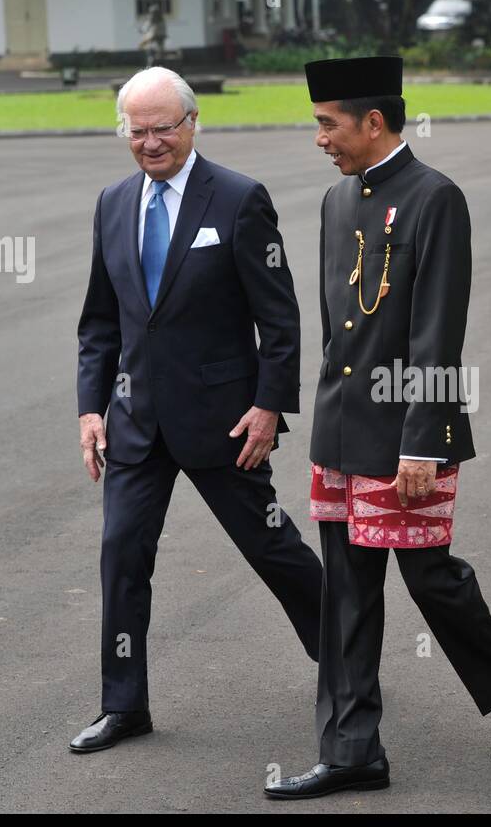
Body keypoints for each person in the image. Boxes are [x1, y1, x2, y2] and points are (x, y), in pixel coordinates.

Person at [263, 56, 491, 800]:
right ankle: (353, 751)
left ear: (373, 122)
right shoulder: (333, 200)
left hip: (409, 430)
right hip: (343, 432)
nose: (320, 138)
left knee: (429, 580)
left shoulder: (433, 198)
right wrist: (323, 424)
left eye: (329, 124)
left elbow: (436, 330)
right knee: (346, 593)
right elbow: (335, 329)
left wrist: (424, 438)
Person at [71, 66, 323, 752]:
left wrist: (271, 405)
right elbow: (101, 322)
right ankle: (124, 706)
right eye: (137, 131)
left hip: (224, 422)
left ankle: (343, 663)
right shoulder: (113, 203)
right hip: (134, 422)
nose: (150, 143)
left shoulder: (239, 200)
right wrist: (91, 411)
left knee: (272, 548)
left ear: (192, 123)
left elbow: (280, 318)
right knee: (121, 555)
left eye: (163, 129)